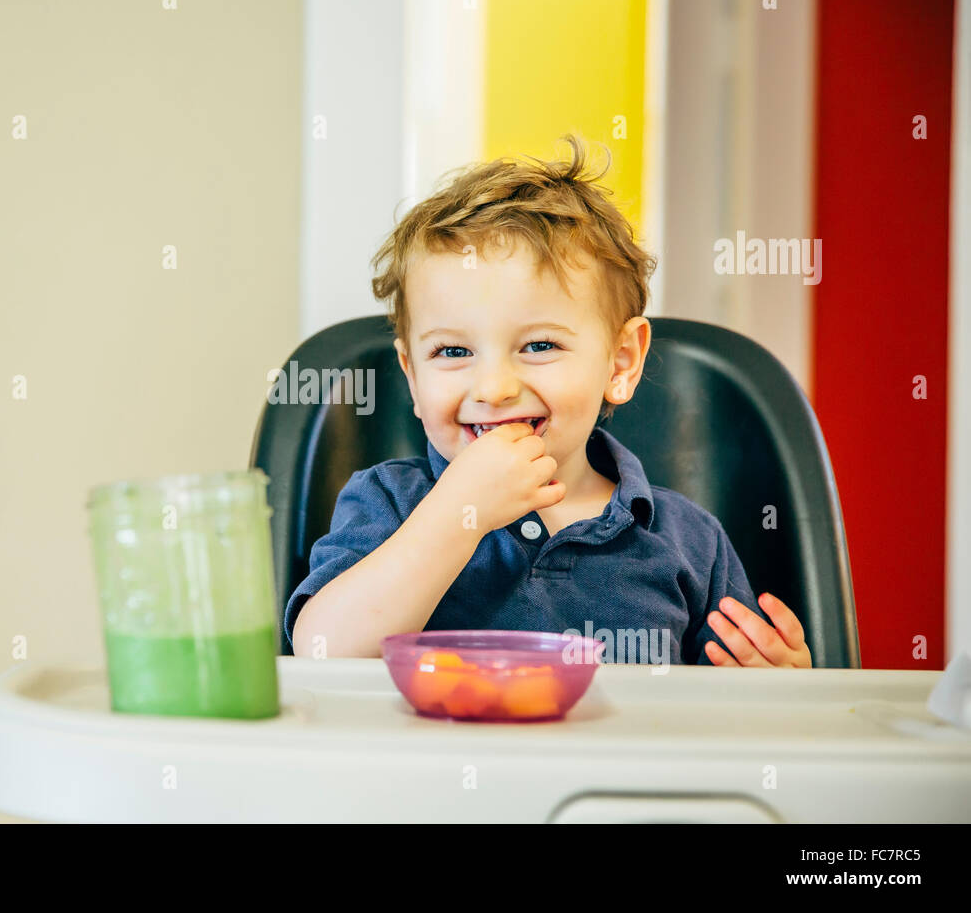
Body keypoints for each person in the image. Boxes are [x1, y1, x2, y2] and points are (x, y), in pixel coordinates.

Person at [286, 135, 812, 667]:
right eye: (451, 350)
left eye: (539, 345)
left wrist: (778, 685)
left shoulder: (689, 541)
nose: (493, 388)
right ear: (413, 377)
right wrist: (456, 514)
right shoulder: (388, 503)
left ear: (621, 361)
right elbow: (322, 651)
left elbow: (727, 728)